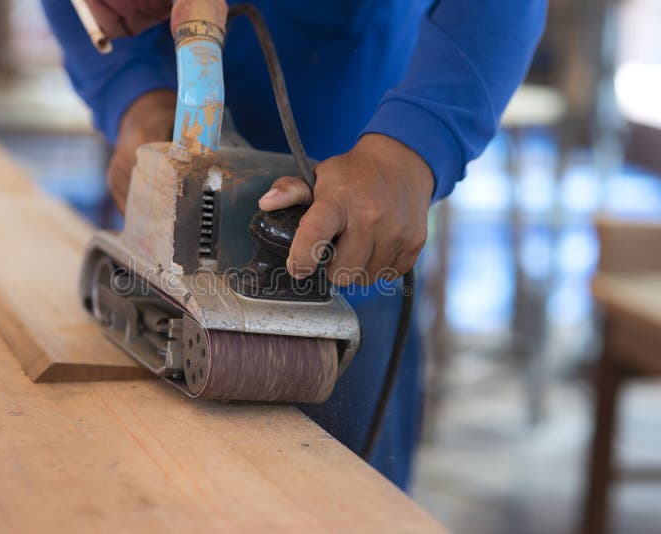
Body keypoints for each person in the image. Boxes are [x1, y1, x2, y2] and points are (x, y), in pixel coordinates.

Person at [42, 0, 546, 489]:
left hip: (348, 246)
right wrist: (136, 97)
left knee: (346, 502)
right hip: (165, 267)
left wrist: (415, 142)